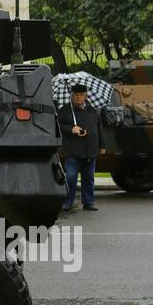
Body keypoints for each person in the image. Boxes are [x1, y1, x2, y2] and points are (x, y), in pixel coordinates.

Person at [57, 82, 101, 212]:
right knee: (70, 177)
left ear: (86, 96)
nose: (78, 97)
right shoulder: (64, 110)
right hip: (73, 151)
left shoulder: (92, 110)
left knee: (89, 178)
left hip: (90, 150)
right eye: (76, 95)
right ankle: (67, 202)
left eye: (81, 95)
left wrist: (102, 145)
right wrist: (71, 129)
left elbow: (99, 129)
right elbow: (57, 126)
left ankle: (89, 202)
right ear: (71, 96)